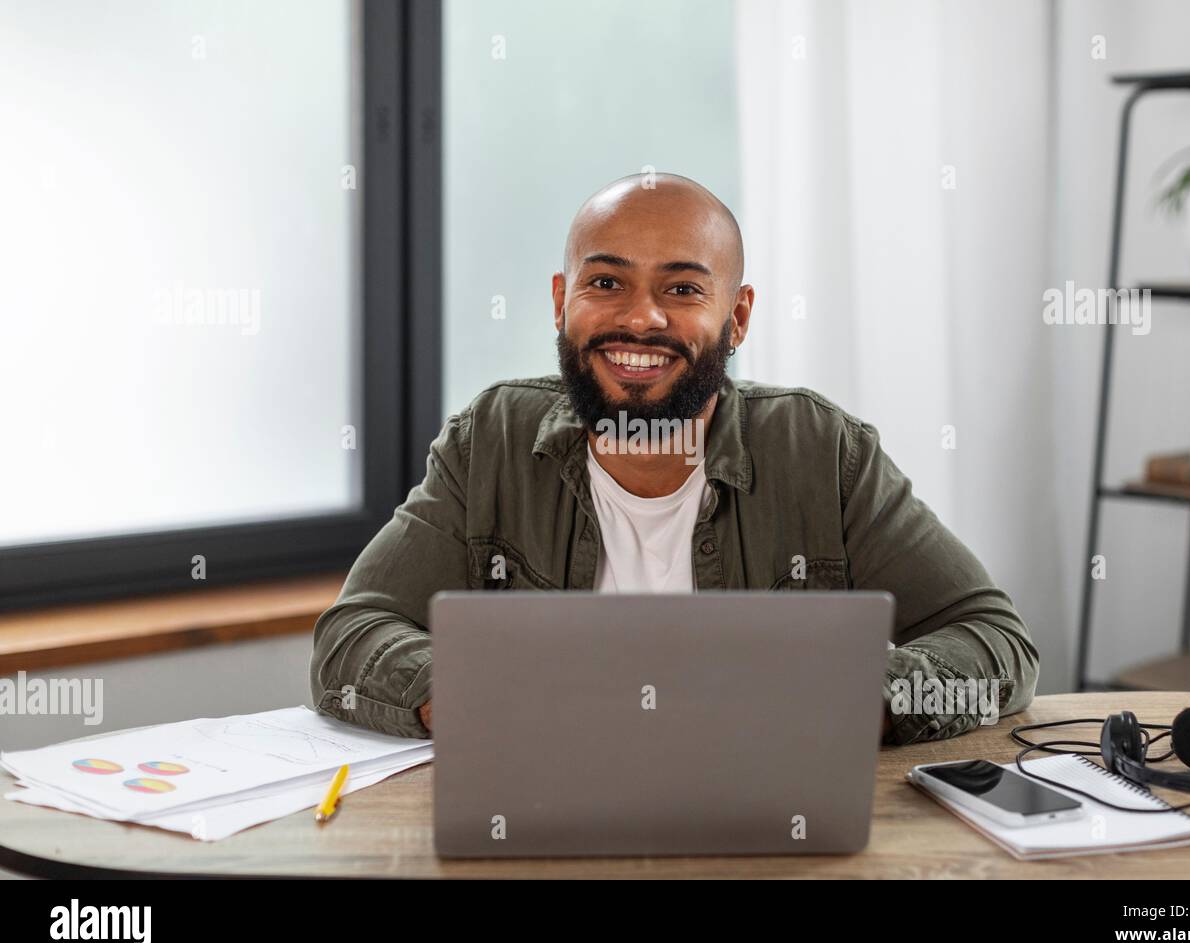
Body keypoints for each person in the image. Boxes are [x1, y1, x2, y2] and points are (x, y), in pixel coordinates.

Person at [310, 172, 1038, 745]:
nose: (641, 318)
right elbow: (351, 635)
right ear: (562, 300)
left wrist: (853, 695)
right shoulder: (490, 439)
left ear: (738, 316)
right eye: (606, 283)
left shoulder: (824, 453)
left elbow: (996, 646)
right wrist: (480, 694)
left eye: (683, 289)